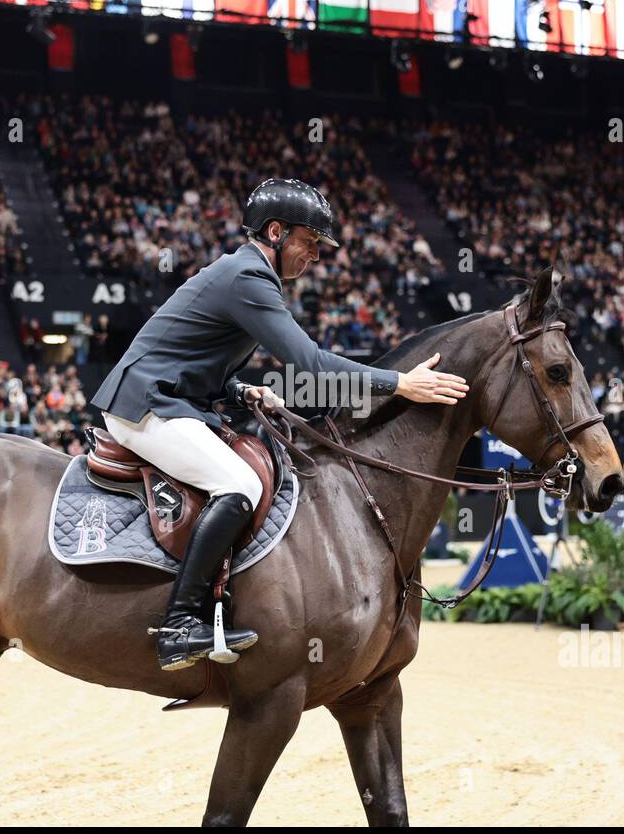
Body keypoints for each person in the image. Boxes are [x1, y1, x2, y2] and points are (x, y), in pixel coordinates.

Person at [91, 178, 468, 671]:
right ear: (275, 232)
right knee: (239, 484)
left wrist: (239, 389)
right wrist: (400, 383)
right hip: (142, 405)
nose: (314, 255)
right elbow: (309, 363)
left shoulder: (244, 273)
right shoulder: (248, 278)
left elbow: (191, 357)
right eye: (309, 242)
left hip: (166, 396)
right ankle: (179, 625)